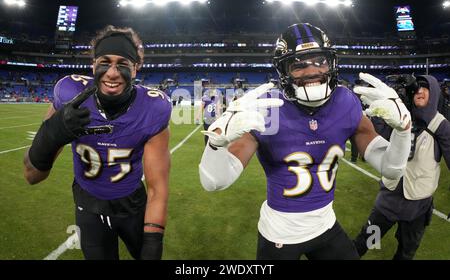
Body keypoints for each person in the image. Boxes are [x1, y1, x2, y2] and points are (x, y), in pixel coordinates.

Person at [198, 23, 412, 260]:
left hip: (326, 226)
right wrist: (216, 144)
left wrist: (403, 130)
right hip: (280, 234)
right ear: (284, 71)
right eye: (298, 64)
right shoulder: (268, 108)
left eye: (319, 61)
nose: (311, 71)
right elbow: (215, 182)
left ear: (331, 63)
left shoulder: (345, 101)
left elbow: (391, 170)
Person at [23, 25, 172, 260]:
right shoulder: (69, 94)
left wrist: (153, 243)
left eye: (122, 64)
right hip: (87, 205)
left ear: (136, 68)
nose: (112, 73)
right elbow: (32, 175)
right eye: (105, 62)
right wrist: (54, 131)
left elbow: (157, 189)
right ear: (93, 64)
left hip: (132, 205)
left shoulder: (153, 108)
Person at [353, 75, 450, 260]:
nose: (420, 91)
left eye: (425, 87)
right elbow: (381, 138)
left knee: (406, 252)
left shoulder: (441, 125)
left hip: (418, 206)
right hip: (388, 201)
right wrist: (381, 115)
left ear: (435, 92)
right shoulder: (399, 113)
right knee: (366, 239)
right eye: (417, 88)